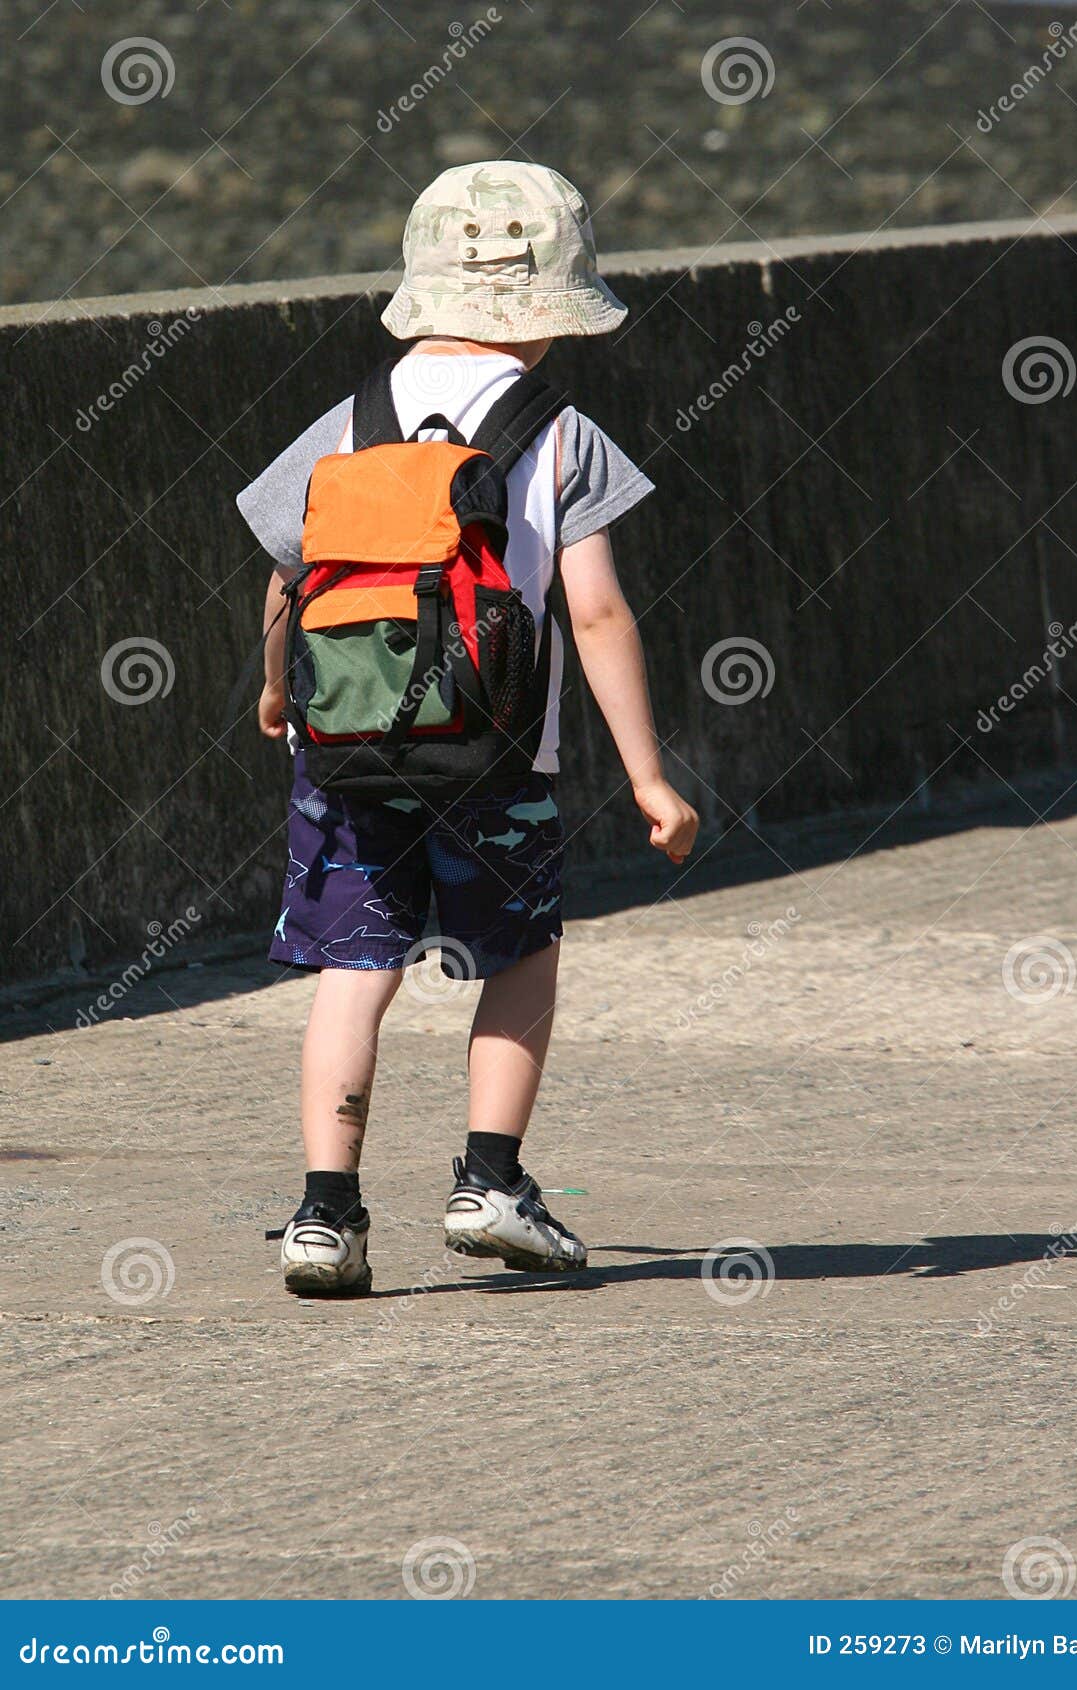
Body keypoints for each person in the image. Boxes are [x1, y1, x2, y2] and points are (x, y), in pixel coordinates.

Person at [236, 161, 698, 1296]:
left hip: (341, 756)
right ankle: (490, 1183)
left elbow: (287, 584)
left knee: (355, 969)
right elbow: (592, 610)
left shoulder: (347, 418)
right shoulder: (560, 431)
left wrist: (277, 696)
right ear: (551, 314)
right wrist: (648, 773)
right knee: (522, 954)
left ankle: (324, 1215)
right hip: (494, 757)